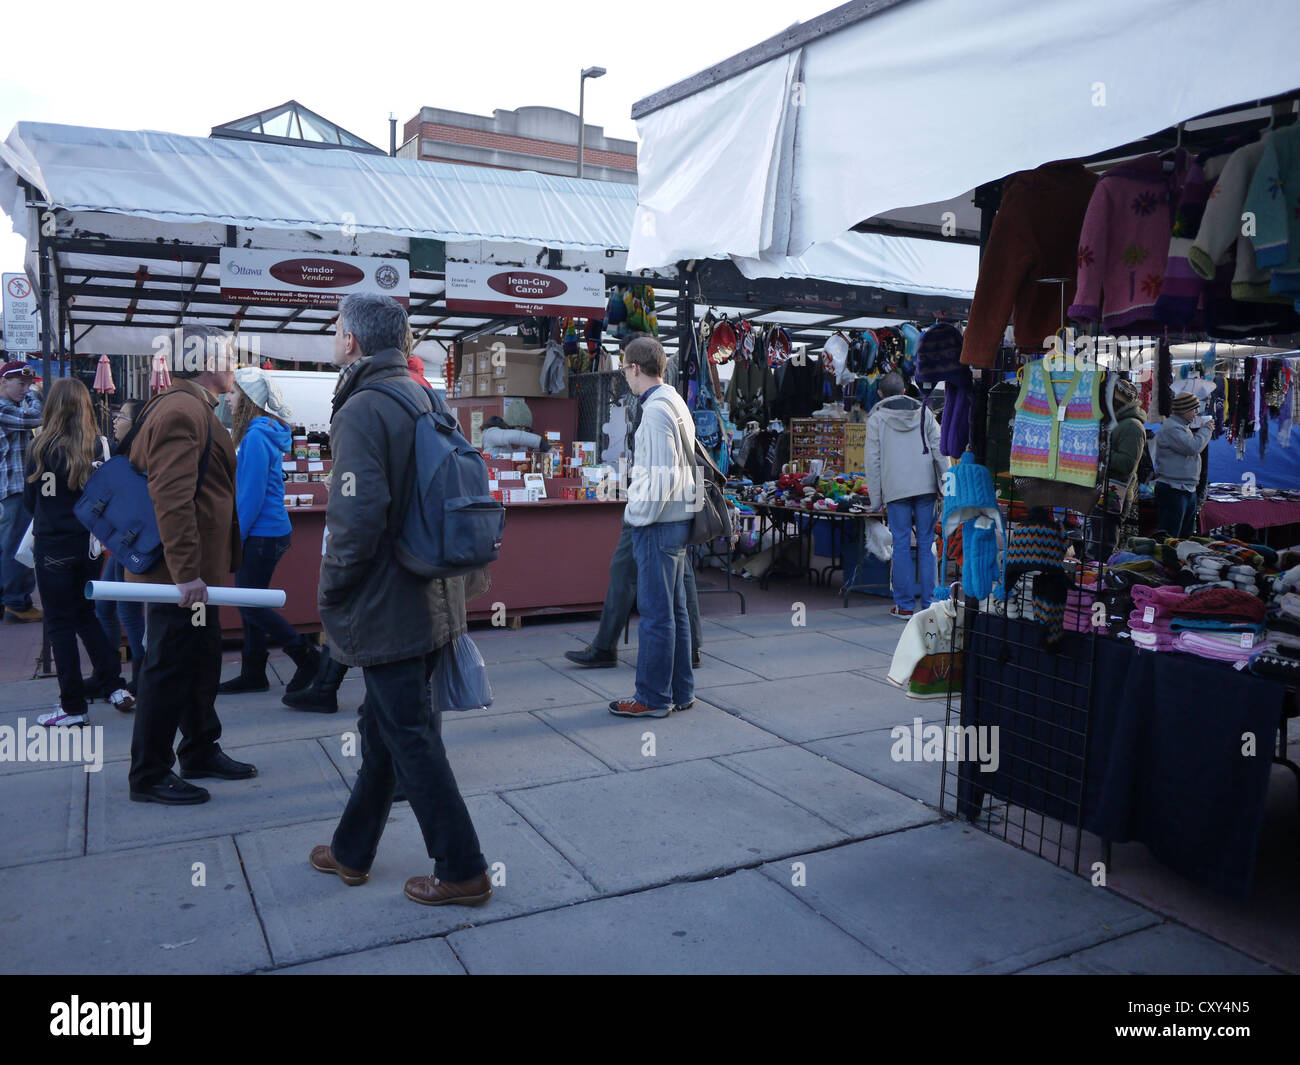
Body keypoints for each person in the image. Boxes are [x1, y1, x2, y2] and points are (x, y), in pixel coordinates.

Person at [310, 292, 490, 906]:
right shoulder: (422, 395)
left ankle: (463, 868)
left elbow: (356, 517)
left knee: (407, 733)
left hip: (388, 601)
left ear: (353, 341)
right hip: (430, 590)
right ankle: (352, 851)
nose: (334, 338)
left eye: (336, 330)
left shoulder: (362, 408)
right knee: (386, 727)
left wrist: (332, 587)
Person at [127, 323, 255, 806]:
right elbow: (172, 499)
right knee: (167, 667)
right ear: (205, 362)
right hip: (180, 577)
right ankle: (150, 773)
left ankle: (200, 748)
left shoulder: (187, 404)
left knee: (199, 661)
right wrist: (186, 575)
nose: (234, 364)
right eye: (228, 355)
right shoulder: (183, 410)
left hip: (194, 575)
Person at [24, 379, 133, 726]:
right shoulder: (99, 446)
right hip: (89, 544)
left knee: (59, 624)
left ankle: (72, 707)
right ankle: (114, 685)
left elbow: (30, 502)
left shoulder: (40, 446)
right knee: (86, 615)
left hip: (52, 544)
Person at [608, 336, 697, 719]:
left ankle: (653, 697)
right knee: (673, 612)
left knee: (657, 615)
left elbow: (660, 477)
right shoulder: (674, 401)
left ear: (634, 368)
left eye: (624, 368)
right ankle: (680, 691)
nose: (625, 376)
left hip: (658, 524)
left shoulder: (656, 410)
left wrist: (636, 514)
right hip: (676, 520)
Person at [218, 367, 321, 694]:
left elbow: (250, 495)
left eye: (234, 394)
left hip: (262, 533)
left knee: (250, 604)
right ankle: (254, 672)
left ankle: (306, 656)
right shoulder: (263, 433)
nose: (229, 399)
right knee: (252, 601)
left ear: (249, 399)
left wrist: (235, 537)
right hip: (270, 531)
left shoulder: (255, 436)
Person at [865, 371, 948, 618]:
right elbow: (940, 452)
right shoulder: (926, 414)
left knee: (900, 544)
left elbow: (873, 461)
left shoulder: (876, 420)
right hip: (925, 488)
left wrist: (875, 499)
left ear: (880, 393)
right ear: (904, 391)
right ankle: (930, 603)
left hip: (895, 488)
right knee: (927, 543)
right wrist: (947, 488)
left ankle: (904, 606)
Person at [91, 400, 146, 696]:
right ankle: (109, 673)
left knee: (126, 609)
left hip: (130, 541)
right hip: (120, 541)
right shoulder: (121, 451)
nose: (115, 421)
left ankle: (139, 672)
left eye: (122, 416)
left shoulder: (138, 454)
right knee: (106, 606)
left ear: (136, 423)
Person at [1, 361, 44, 623]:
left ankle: (10, 599)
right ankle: (17, 602)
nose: (25, 390)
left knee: (8, 546)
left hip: (13, 489)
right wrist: (36, 395)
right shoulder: (4, 408)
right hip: (14, 489)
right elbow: (35, 418)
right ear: (4, 382)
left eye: (28, 384)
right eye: (21, 384)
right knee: (17, 548)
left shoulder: (11, 406)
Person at [1155, 390, 1213, 537]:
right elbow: (1193, 447)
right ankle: (1167, 560)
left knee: (1183, 537)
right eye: (1194, 408)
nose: (1197, 412)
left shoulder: (1181, 427)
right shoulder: (1172, 428)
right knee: (1171, 537)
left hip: (1184, 489)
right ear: (1184, 409)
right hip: (1173, 489)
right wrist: (1206, 430)